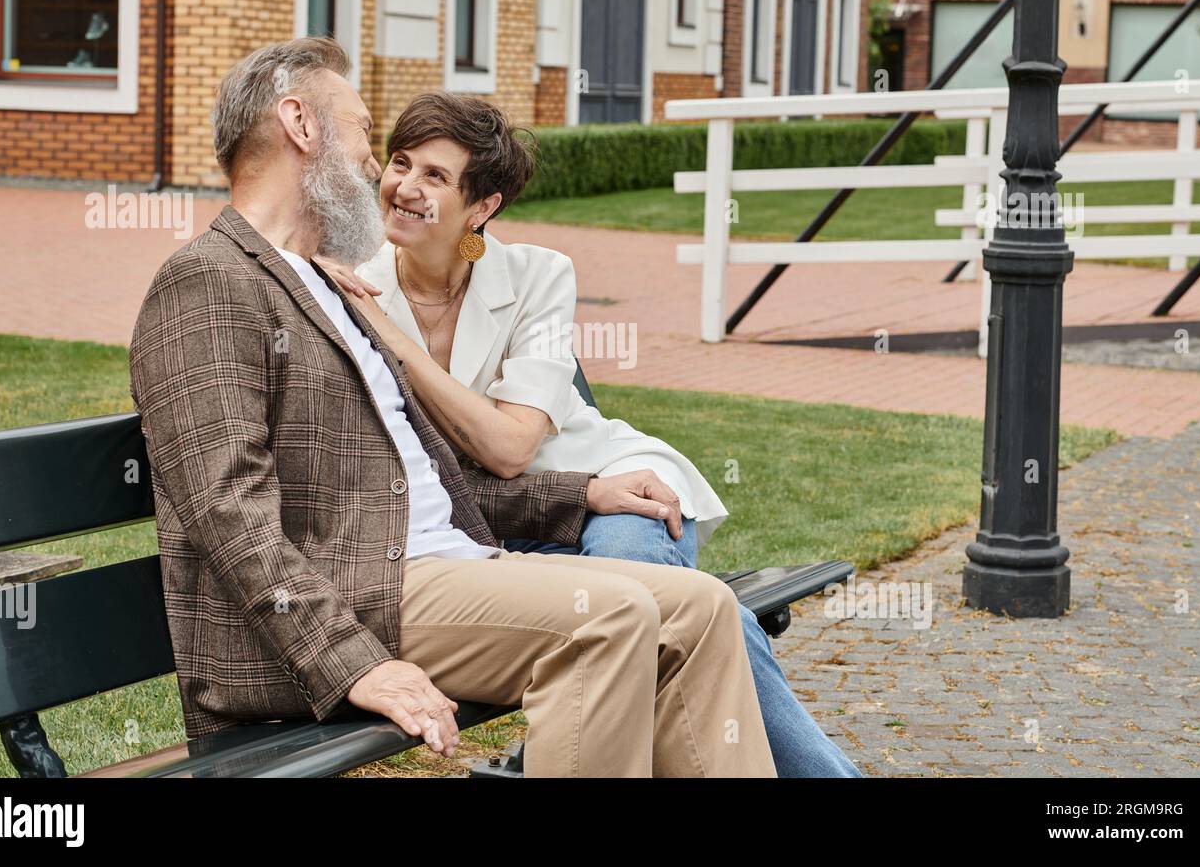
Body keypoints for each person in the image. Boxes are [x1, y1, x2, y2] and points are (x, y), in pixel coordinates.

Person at [128, 38, 776, 777]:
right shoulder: (208, 280)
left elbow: (422, 485)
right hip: (354, 597)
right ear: (300, 125)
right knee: (610, 619)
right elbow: (225, 509)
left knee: (702, 610)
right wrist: (352, 665)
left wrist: (582, 494)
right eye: (367, 135)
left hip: (434, 567)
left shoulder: (330, 289)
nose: (377, 166)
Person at [317, 91, 860, 778]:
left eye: (436, 176)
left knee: (664, 604)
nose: (406, 187)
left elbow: (512, 447)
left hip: (609, 487)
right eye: (401, 163)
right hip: (488, 526)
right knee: (697, 618)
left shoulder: (537, 275)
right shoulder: (349, 284)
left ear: (482, 208)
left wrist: (399, 346)